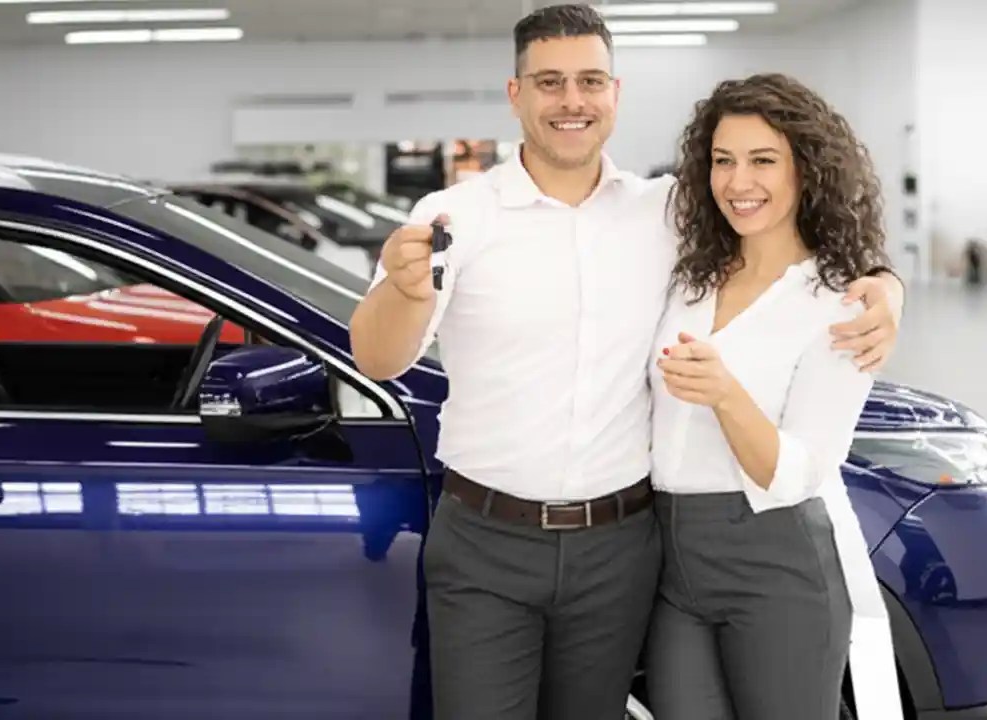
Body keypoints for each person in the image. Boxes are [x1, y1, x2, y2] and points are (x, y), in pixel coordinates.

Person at [349, 5, 904, 719]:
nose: (571, 100)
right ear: (516, 95)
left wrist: (886, 285)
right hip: (486, 540)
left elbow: (784, 230)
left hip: (621, 548)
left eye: (590, 81)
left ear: (616, 92)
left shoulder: (667, 212)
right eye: (549, 82)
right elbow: (377, 357)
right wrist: (403, 288)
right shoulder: (457, 215)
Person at [646, 73, 906, 720]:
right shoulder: (690, 272)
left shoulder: (839, 303)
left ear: (808, 171)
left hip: (778, 564)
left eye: (765, 161)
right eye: (723, 161)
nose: (739, 183)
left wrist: (727, 396)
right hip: (672, 563)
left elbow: (799, 474)